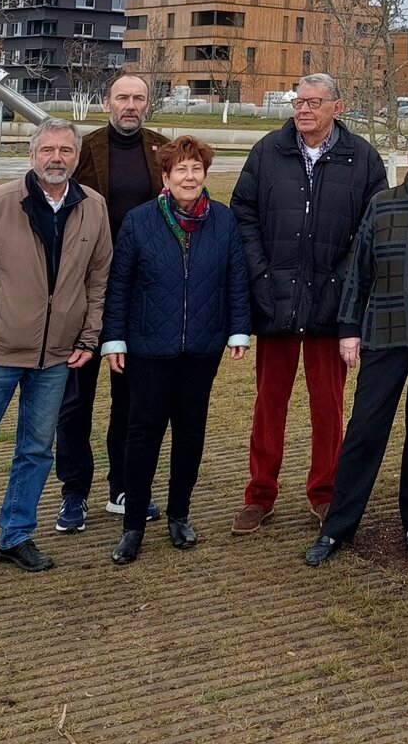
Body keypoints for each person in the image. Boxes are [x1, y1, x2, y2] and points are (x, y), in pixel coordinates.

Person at [0, 119, 112, 586]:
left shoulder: (93, 207)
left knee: (36, 451)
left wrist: (87, 338)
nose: (56, 158)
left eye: (66, 151)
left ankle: (16, 536)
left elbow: (99, 281)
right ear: (32, 155)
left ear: (77, 157)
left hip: (56, 358)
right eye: (47, 150)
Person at [231, 72, 389, 533]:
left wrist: (343, 282)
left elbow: (371, 226)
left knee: (328, 406)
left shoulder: (361, 158)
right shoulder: (268, 151)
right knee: (268, 404)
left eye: (314, 102)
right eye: (298, 101)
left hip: (331, 306)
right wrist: (261, 272)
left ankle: (325, 493)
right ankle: (259, 495)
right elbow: (245, 213)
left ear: (337, 107)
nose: (303, 109)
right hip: (277, 302)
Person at [304, 124, 408, 567]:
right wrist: (348, 328)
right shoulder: (381, 204)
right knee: (364, 429)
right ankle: (338, 526)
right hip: (385, 334)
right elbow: (359, 273)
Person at [102, 136, 252, 564]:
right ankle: (132, 525)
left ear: (205, 174)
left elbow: (235, 278)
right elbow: (120, 285)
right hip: (148, 345)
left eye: (196, 169)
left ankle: (179, 516)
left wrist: (238, 330)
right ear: (166, 178)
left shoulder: (222, 220)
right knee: (143, 432)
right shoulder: (139, 221)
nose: (190, 177)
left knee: (190, 432)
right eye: (181, 170)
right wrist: (114, 337)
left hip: (202, 346)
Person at [53, 74, 168, 533]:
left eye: (138, 98)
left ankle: (123, 487)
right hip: (84, 292)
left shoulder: (163, 150)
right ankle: (73, 493)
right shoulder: (82, 152)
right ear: (106, 103)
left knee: (132, 399)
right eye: (122, 97)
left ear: (147, 105)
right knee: (75, 400)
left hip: (140, 296)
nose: (130, 105)